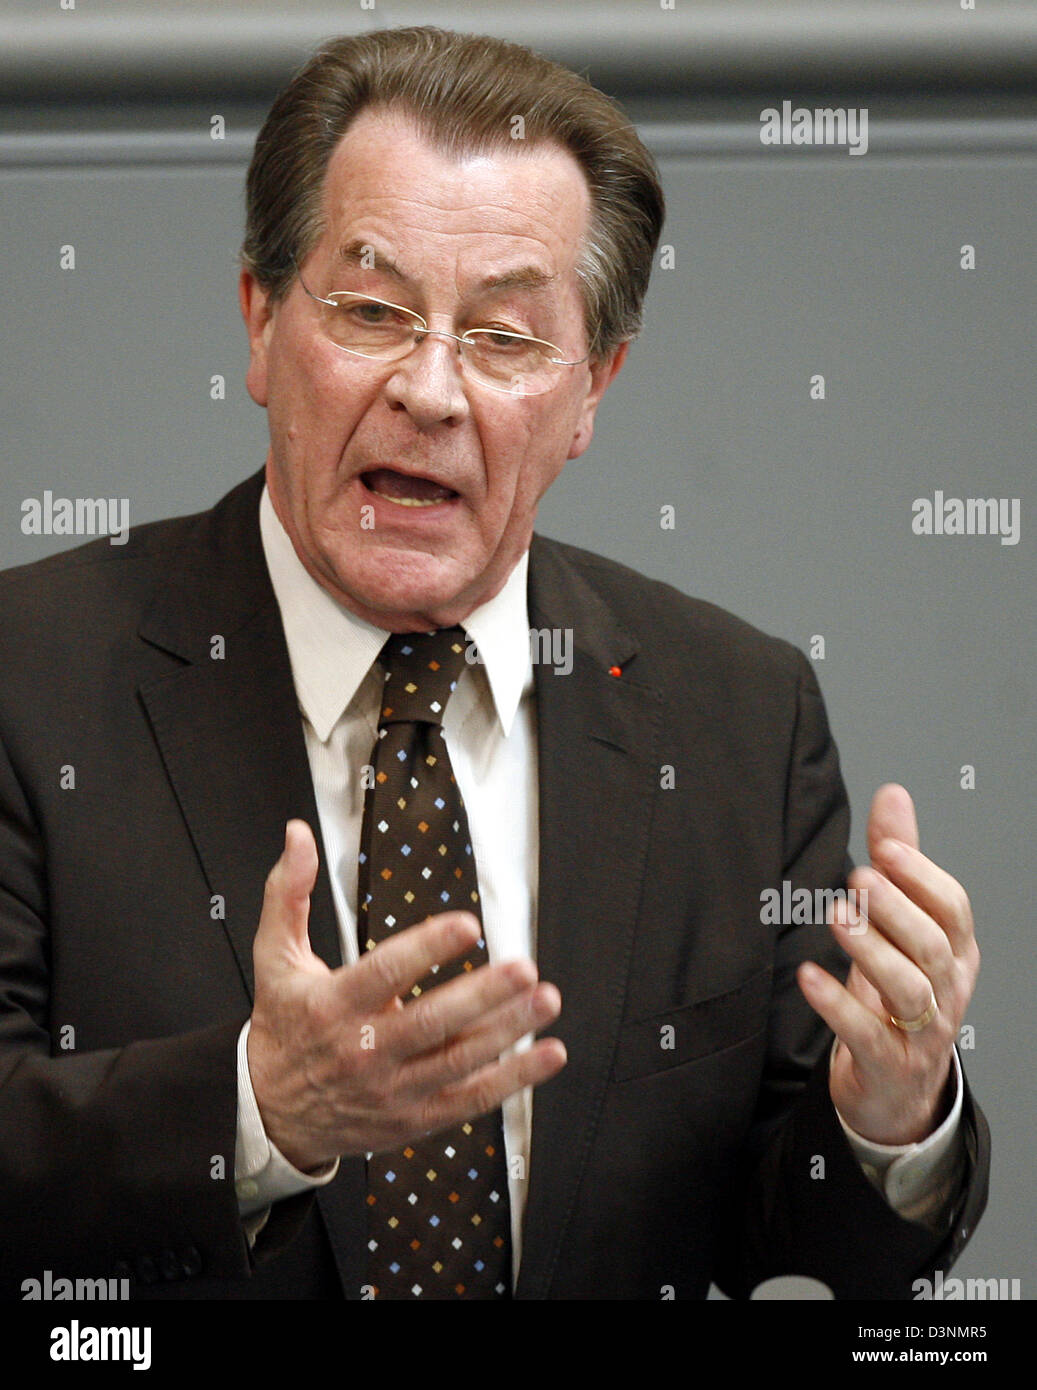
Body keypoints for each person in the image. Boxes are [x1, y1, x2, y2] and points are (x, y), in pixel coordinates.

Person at [0, 26, 987, 1301]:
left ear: (592, 392)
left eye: (506, 337)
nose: (429, 389)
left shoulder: (737, 717)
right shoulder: (29, 677)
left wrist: (888, 1119)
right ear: (257, 321)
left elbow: (792, 1244)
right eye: (369, 310)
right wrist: (257, 1108)